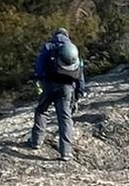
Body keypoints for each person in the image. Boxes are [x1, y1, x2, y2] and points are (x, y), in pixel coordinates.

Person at [27, 28, 86, 162]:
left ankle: (36, 141)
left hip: (49, 85)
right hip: (66, 88)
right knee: (65, 118)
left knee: (41, 110)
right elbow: (80, 74)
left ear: (55, 35)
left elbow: (40, 65)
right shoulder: (72, 50)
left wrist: (37, 78)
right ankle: (66, 152)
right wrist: (78, 94)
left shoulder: (49, 47)